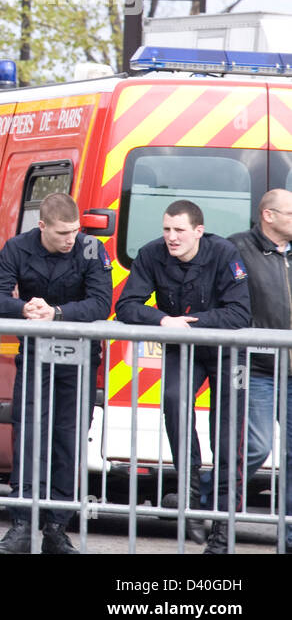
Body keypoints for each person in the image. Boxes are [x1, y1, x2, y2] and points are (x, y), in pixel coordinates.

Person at [116, 199, 250, 554]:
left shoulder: (224, 253)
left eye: (179, 230)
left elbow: (239, 314)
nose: (171, 238)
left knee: (227, 439)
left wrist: (190, 324)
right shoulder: (150, 254)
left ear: (198, 232)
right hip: (183, 348)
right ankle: (189, 488)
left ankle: (223, 533)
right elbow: (126, 305)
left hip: (225, 352)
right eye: (166, 229)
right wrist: (162, 320)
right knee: (173, 400)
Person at [0, 193, 112, 555]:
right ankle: (22, 525)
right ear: (42, 226)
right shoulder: (17, 248)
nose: (71, 238)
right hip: (36, 353)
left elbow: (102, 303)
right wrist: (24, 308)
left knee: (68, 440)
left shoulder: (91, 249)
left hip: (80, 357)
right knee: (28, 436)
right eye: (62, 233)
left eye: (75, 231)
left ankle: (58, 527)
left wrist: (56, 313)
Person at [231, 189, 292, 553]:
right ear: (268, 216)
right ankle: (208, 502)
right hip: (259, 367)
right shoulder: (238, 249)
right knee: (255, 446)